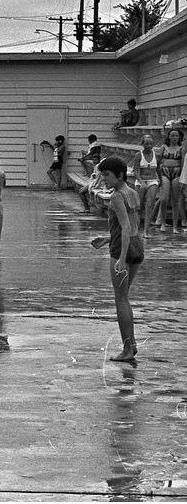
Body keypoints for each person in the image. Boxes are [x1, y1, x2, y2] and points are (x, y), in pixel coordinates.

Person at [92, 156, 144, 362]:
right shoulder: (133, 192)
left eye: (107, 175)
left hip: (123, 249)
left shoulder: (116, 196)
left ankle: (127, 349)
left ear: (120, 175)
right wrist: (108, 238)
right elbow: (132, 227)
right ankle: (132, 344)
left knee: (121, 299)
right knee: (125, 297)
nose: (103, 179)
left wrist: (121, 258)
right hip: (137, 245)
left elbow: (125, 228)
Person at [129, 135, 161, 238]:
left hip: (152, 180)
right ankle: (136, 229)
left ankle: (146, 231)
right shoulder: (139, 155)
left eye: (151, 144)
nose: (149, 146)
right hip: (141, 180)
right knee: (139, 206)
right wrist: (141, 182)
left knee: (149, 205)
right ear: (142, 144)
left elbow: (158, 169)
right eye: (147, 144)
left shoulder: (157, 155)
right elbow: (136, 171)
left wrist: (160, 179)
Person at [153, 128, 182, 232]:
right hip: (164, 172)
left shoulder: (181, 148)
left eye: (176, 136)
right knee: (164, 199)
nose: (174, 137)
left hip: (177, 173)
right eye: (172, 135)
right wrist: (157, 175)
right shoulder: (163, 147)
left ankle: (174, 226)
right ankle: (162, 222)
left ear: (179, 137)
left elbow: (183, 163)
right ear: (169, 137)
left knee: (175, 200)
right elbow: (158, 162)